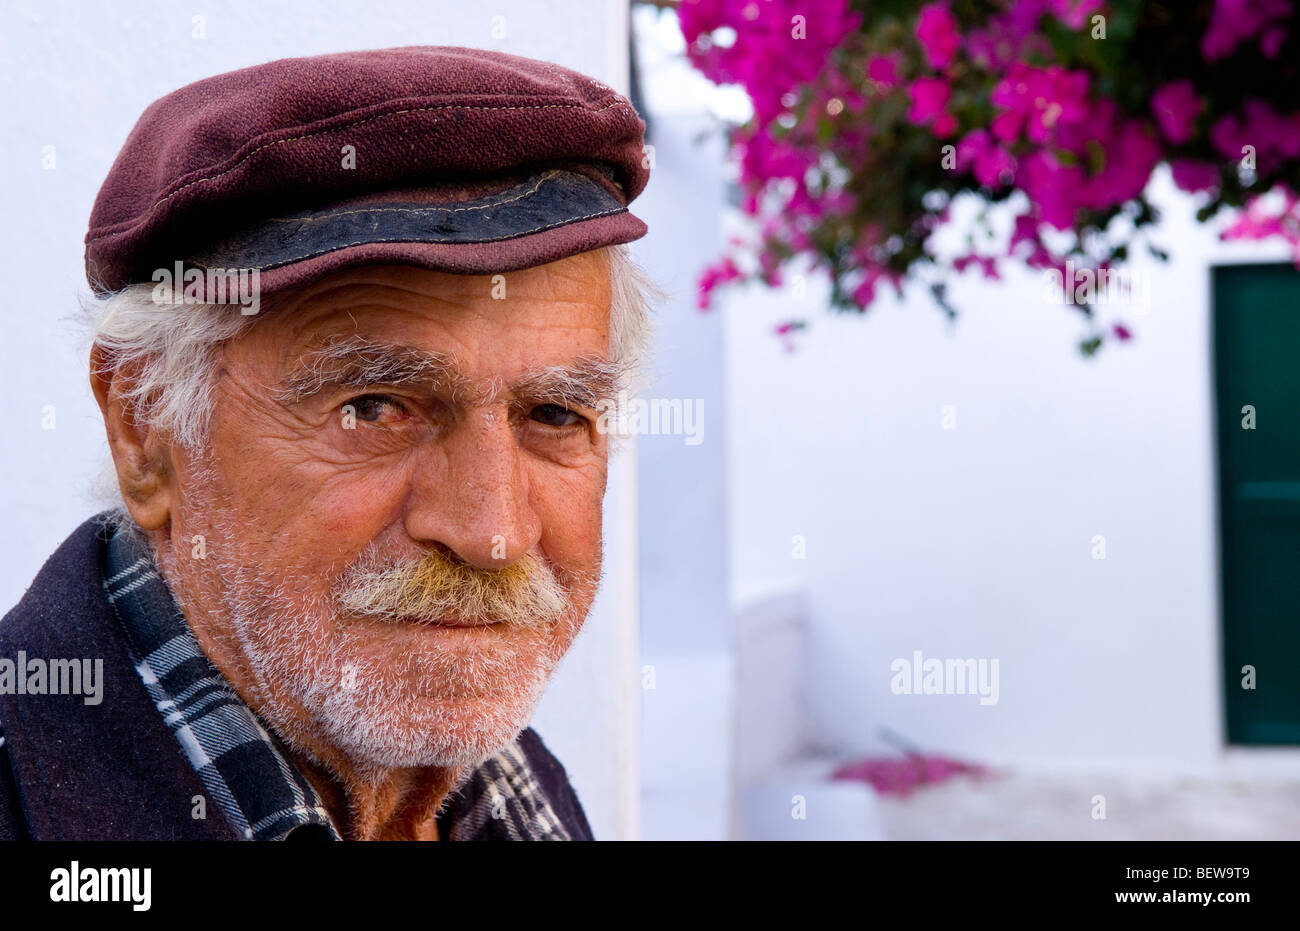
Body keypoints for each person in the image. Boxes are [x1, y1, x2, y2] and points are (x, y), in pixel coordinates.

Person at [0, 45, 655, 841]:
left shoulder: (512, 791)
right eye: (375, 407)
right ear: (146, 428)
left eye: (554, 413)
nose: (492, 534)